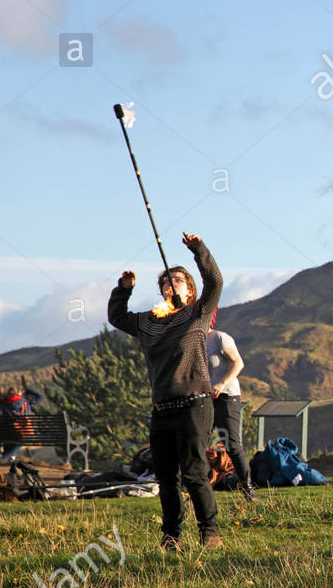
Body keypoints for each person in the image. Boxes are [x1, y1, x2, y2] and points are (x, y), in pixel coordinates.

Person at [108, 233, 224, 550]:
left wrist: (199, 249)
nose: (170, 284)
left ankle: (210, 534)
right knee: (166, 479)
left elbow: (215, 282)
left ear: (189, 290)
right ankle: (171, 537)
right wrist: (124, 289)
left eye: (177, 280)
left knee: (195, 472)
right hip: (162, 410)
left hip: (195, 406)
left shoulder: (197, 314)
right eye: (166, 281)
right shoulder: (149, 322)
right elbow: (117, 317)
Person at [206, 314, 256, 500]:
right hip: (205, 398)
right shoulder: (193, 342)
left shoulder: (219, 338)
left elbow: (238, 363)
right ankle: (198, 489)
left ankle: (248, 488)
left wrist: (221, 383)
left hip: (227, 396)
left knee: (232, 444)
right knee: (198, 443)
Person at [0, 383, 44, 462]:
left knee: (8, 434)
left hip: (6, 433)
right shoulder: (25, 402)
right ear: (19, 393)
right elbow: (40, 396)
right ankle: (6, 457)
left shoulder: (3, 404)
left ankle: (6, 455)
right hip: (22, 432)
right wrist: (27, 390)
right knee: (22, 438)